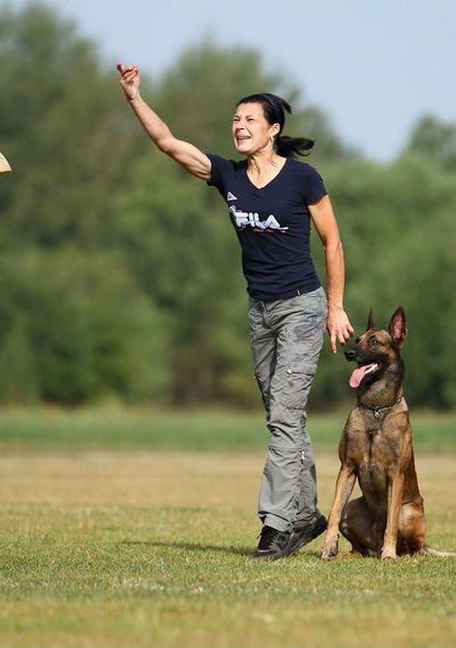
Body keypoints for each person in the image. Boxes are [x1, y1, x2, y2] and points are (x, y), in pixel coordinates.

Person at [117, 63, 354, 559]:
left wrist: (335, 308)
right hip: (260, 312)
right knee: (282, 415)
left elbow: (332, 242)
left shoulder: (303, 179)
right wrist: (136, 98)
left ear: (273, 129)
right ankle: (307, 515)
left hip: (302, 308)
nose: (239, 126)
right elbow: (169, 144)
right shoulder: (227, 174)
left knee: (285, 416)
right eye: (235, 120)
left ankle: (276, 524)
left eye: (249, 120)